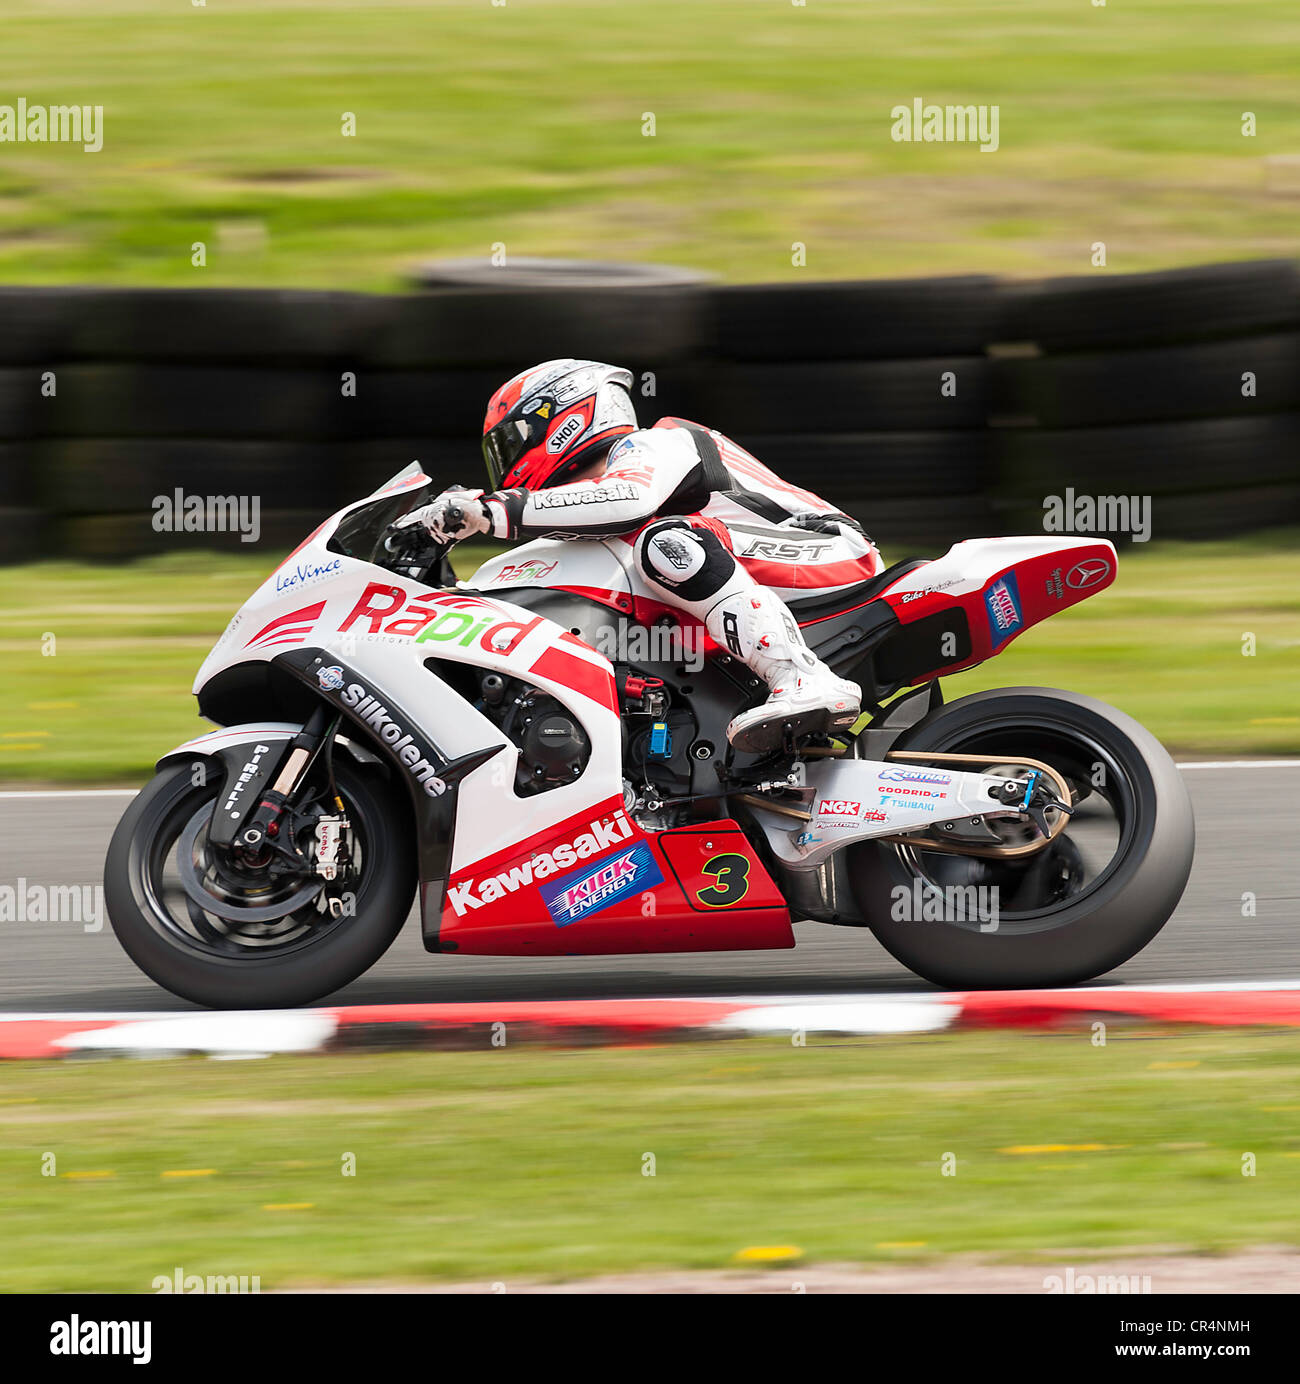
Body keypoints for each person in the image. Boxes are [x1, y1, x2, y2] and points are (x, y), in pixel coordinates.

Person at [395, 358, 881, 752]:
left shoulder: (655, 442)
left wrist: (491, 511)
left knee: (665, 541)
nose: (505, 467)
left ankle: (803, 678)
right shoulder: (592, 510)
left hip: (829, 550)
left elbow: (628, 500)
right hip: (756, 572)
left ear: (566, 414)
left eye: (511, 444)